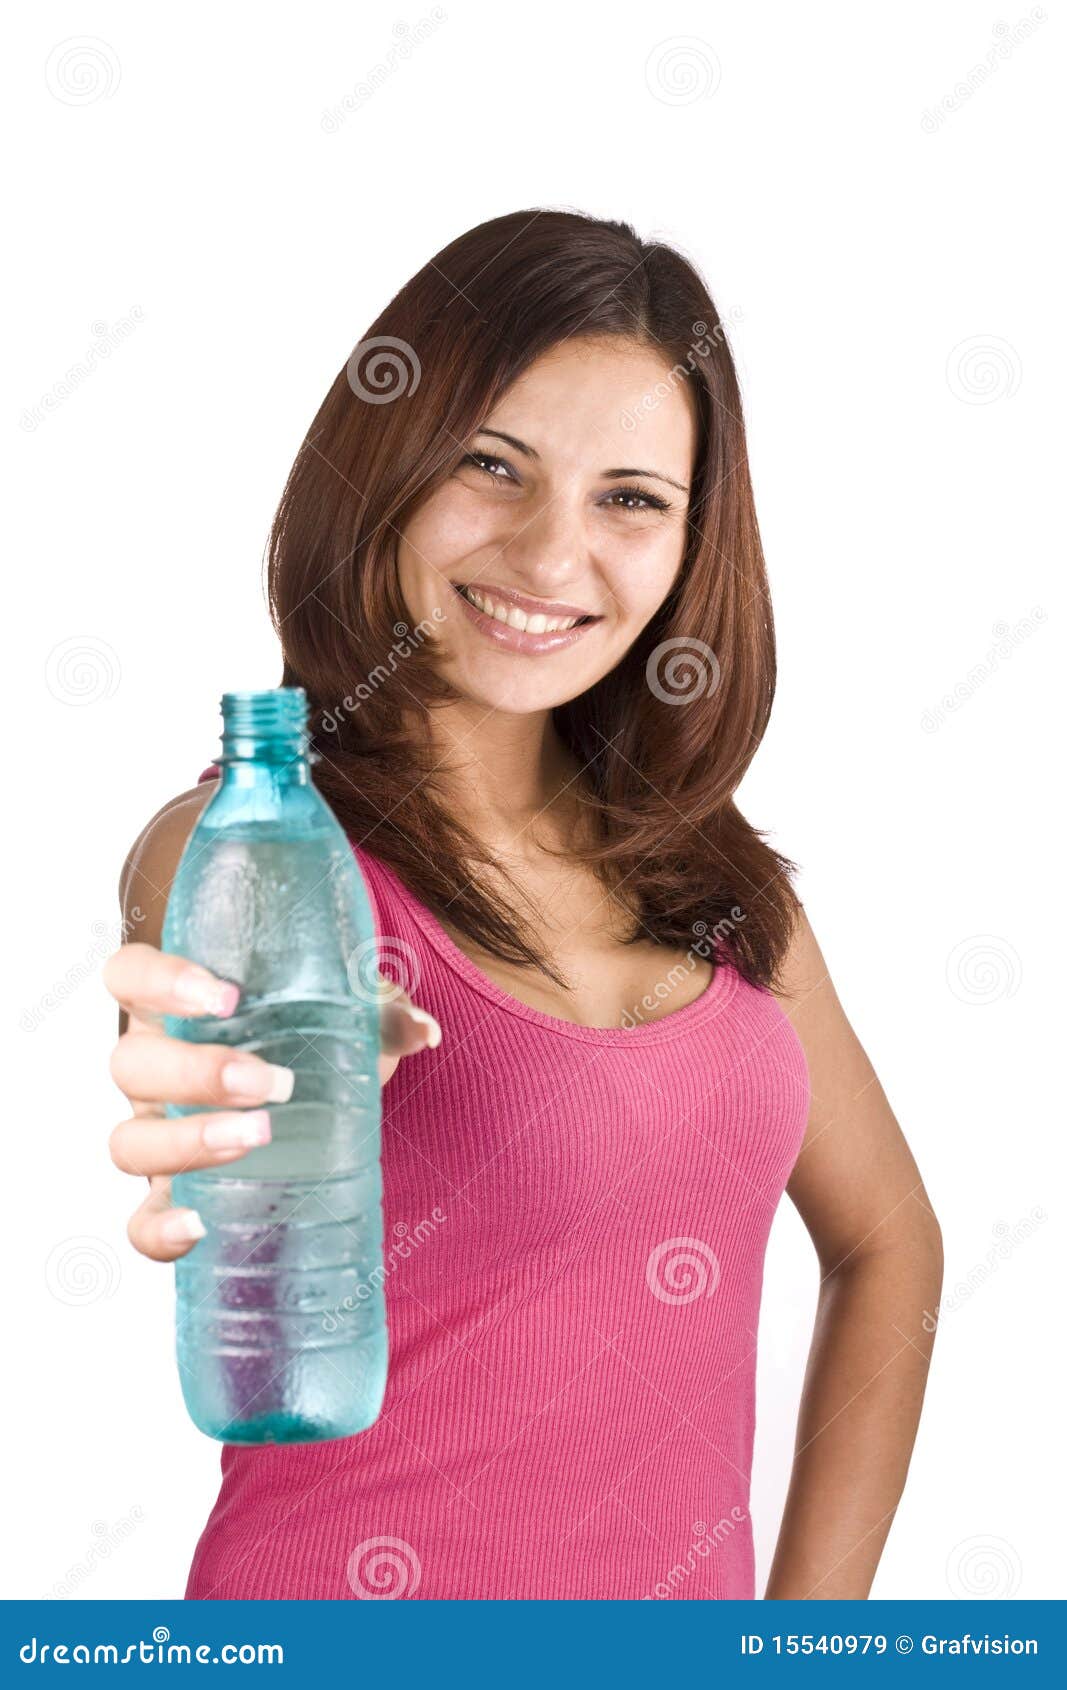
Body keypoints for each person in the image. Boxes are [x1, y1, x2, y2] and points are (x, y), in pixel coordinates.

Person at [104, 209, 943, 1600]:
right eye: (495, 466)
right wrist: (281, 1065)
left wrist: (807, 1644)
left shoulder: (726, 887)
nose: (554, 557)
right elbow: (205, 985)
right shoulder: (260, 844)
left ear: (692, 540)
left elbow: (887, 1240)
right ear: (387, 468)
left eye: (631, 497)